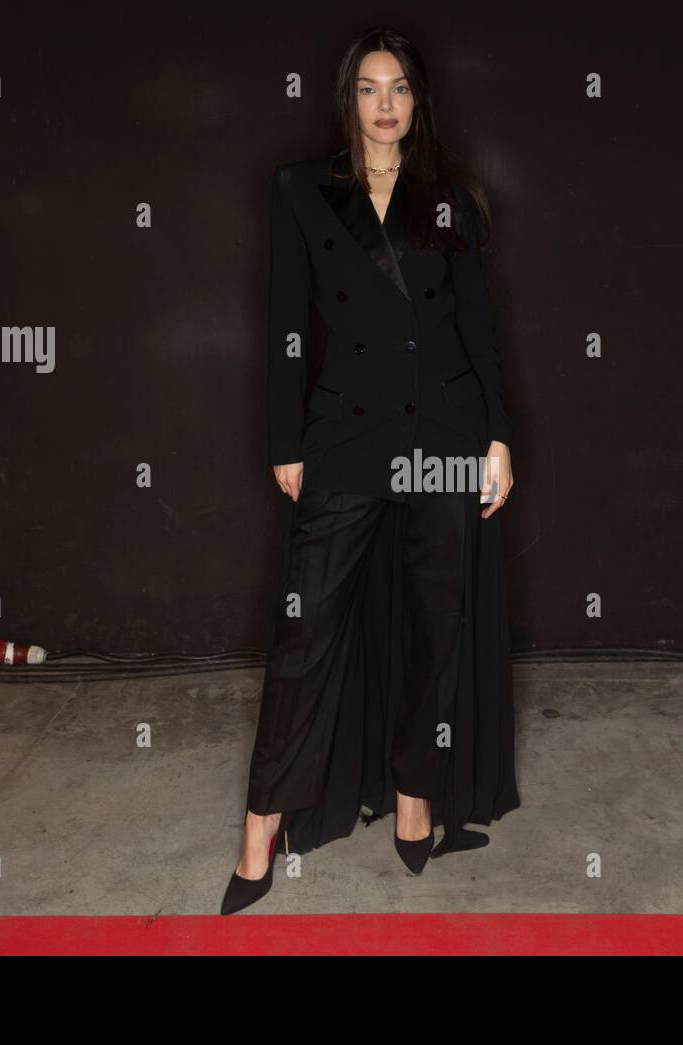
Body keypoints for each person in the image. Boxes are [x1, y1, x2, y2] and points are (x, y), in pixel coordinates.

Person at [221, 27, 519, 915]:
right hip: (345, 437)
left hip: (444, 432)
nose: (385, 104)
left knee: (437, 625)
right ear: (347, 99)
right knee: (305, 631)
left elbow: (477, 324)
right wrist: (286, 439)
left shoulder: (447, 198)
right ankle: (259, 823)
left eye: (398, 89)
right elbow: (284, 323)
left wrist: (497, 434)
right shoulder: (304, 191)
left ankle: (415, 800)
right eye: (368, 89)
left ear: (417, 101)